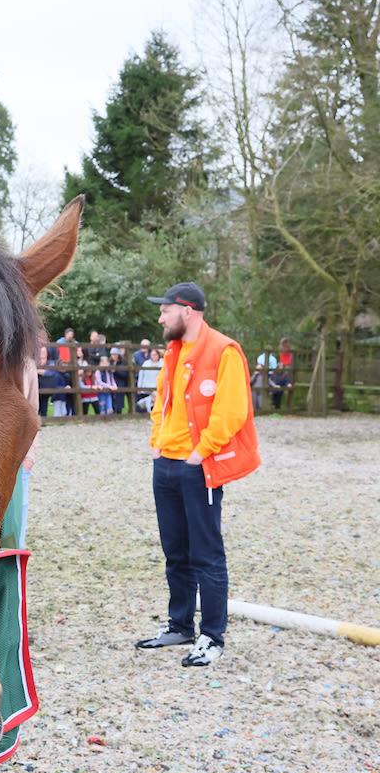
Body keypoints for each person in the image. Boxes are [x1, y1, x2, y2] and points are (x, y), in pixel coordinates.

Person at [135, 282, 259, 668]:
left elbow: (232, 411)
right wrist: (157, 444)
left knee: (207, 554)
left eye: (165, 310)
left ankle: (212, 636)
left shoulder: (224, 350)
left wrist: (198, 454)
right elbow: (162, 402)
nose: (160, 318)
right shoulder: (174, 352)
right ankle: (180, 625)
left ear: (187, 311)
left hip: (196, 467)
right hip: (166, 464)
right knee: (175, 552)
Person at [135, 347, 163, 412]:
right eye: (152, 355)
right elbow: (141, 375)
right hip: (146, 388)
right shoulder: (146, 363)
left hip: (158, 388)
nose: (154, 356)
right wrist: (139, 387)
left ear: (158, 355)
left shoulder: (163, 363)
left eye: (155, 355)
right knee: (145, 404)